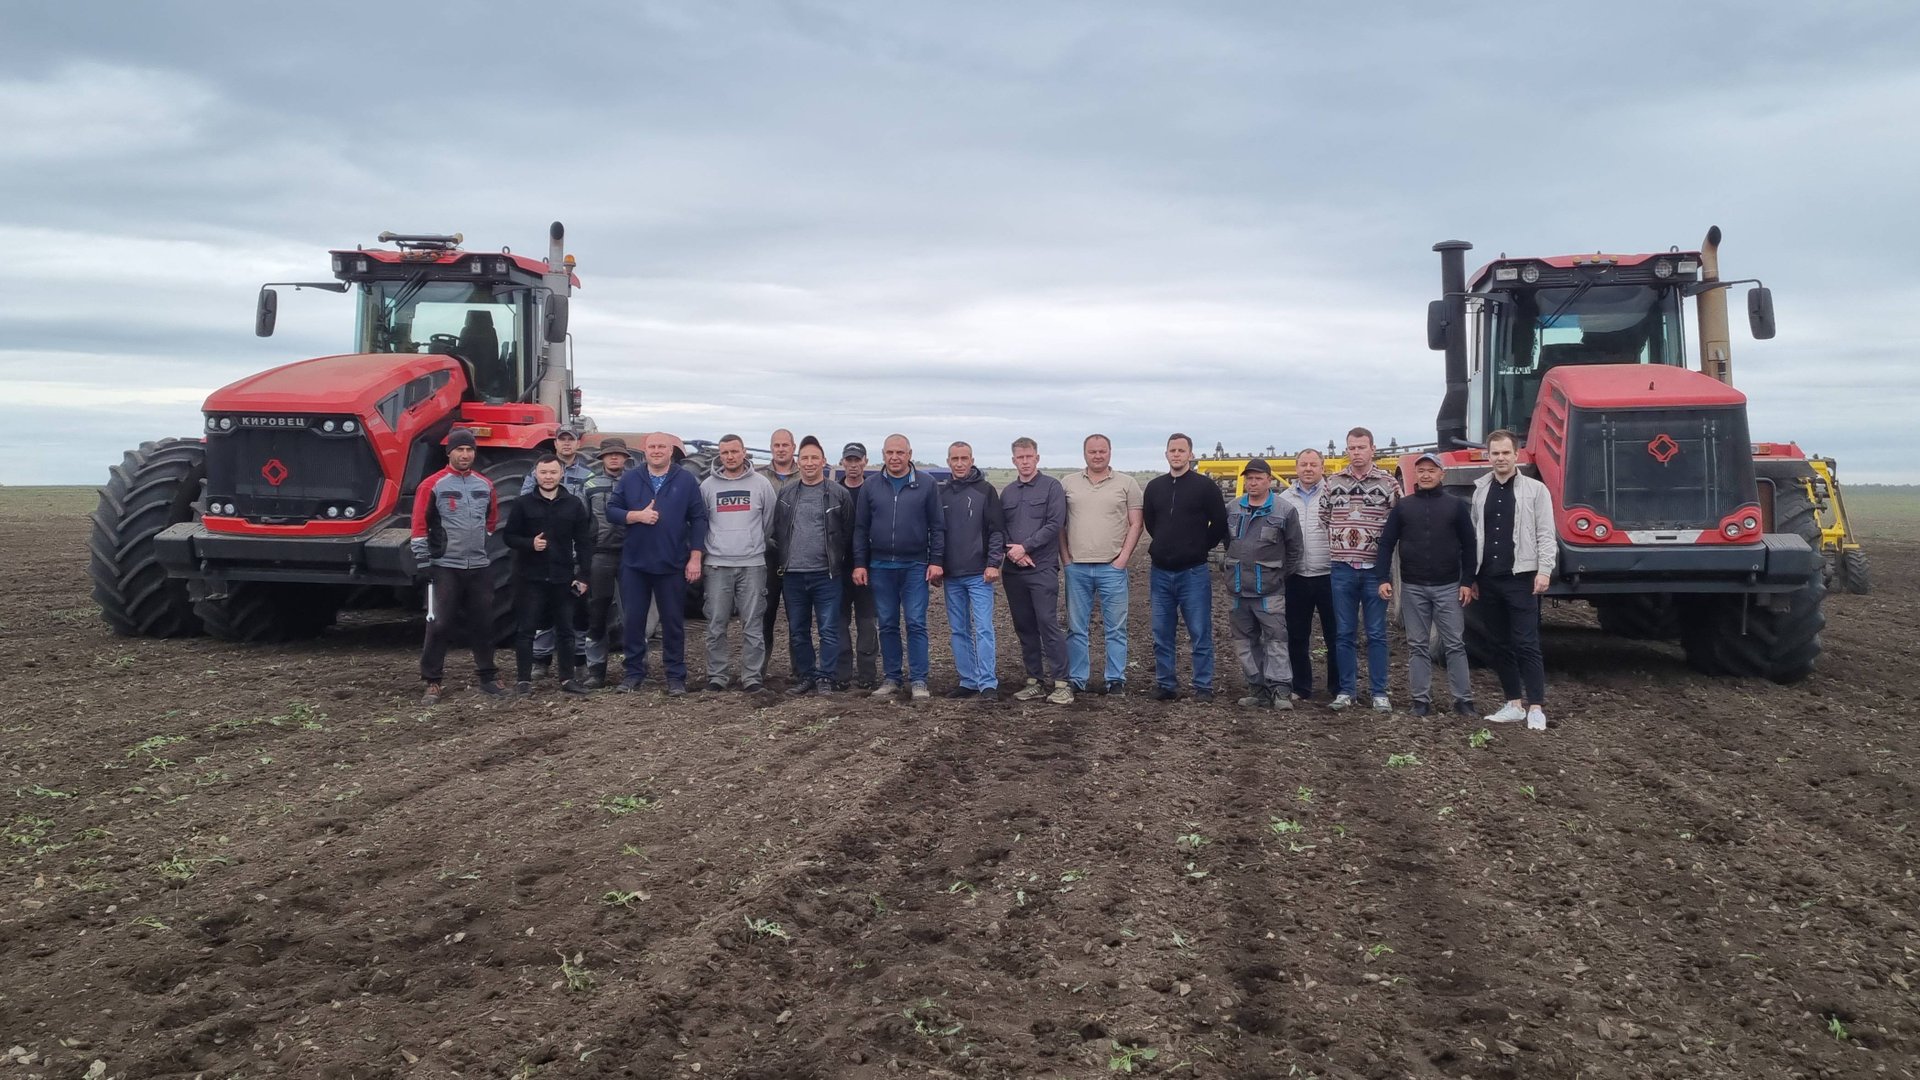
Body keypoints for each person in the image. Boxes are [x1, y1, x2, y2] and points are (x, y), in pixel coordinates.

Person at [1376, 452, 1476, 717]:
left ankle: (1463, 700)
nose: (1426, 475)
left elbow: (1469, 545)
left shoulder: (1455, 506)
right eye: (1421, 470)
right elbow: (1386, 543)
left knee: (1455, 644)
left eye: (1432, 470)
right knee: (1418, 645)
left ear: (1442, 474)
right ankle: (1420, 700)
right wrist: (1383, 578)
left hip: (1448, 586)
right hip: (1413, 587)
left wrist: (1467, 581)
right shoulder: (1403, 507)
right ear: (1415, 475)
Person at [607, 431, 708, 695]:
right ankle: (633, 673)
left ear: (670, 451)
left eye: (661, 446)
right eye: (652, 447)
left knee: (673, 623)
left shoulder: (685, 480)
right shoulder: (631, 478)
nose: (656, 451)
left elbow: (698, 518)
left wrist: (695, 556)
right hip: (635, 564)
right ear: (645, 451)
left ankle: (675, 676)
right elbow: (611, 510)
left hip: (671, 563)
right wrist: (636, 516)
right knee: (633, 621)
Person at [1470, 429, 1557, 730]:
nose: (1500, 458)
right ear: (1488, 456)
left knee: (1526, 643)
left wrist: (1544, 570)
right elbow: (1476, 535)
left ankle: (1536, 707)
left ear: (1516, 455)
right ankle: (1513, 703)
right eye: (1495, 453)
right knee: (1499, 643)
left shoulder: (1535, 490)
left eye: (1506, 452)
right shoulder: (1481, 491)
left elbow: (1546, 533)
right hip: (1489, 578)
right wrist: (1473, 576)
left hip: (1521, 578)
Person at [412, 428, 505, 703]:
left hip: (478, 565)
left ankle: (488, 677)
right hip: (445, 565)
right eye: (460, 450)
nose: (465, 455)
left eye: (469, 450)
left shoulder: (485, 485)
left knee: (484, 623)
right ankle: (432, 681)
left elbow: (492, 520)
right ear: (449, 452)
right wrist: (423, 560)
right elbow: (419, 524)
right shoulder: (432, 485)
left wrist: (480, 544)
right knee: (439, 624)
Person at [852, 434, 946, 700]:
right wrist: (860, 563)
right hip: (880, 566)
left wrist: (936, 560)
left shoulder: (926, 484)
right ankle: (892, 677)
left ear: (909, 454)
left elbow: (937, 526)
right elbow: (861, 528)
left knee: (916, 622)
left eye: (900, 453)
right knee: (887, 623)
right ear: (883, 454)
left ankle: (919, 680)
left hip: (915, 565)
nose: (895, 457)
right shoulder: (871, 486)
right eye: (890, 453)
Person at [1142, 432, 1229, 701]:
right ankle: (1165, 684)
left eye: (1182, 450)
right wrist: (1166, 544)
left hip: (1193, 572)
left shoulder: (1205, 487)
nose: (1177, 454)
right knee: (1161, 633)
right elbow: (1151, 523)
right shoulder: (1154, 487)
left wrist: (1200, 546)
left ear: (1191, 455)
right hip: (1161, 572)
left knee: (1199, 631)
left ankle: (1203, 686)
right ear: (1166, 454)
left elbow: (1219, 522)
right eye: (1173, 450)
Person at [1060, 434, 1144, 702]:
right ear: (1084, 453)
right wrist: (1066, 558)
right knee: (1076, 627)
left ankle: (1115, 679)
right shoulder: (1068, 483)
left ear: (1110, 452)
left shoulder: (1127, 484)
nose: (1097, 456)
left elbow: (1136, 523)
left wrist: (1123, 559)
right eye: (1092, 451)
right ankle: (1078, 678)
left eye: (1102, 451)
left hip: (1112, 568)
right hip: (1077, 568)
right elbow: (1059, 523)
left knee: (1116, 628)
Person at [1322, 427, 1400, 711]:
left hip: (1374, 572)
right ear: (1347, 450)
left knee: (1376, 632)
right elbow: (1324, 516)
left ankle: (1379, 692)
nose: (1356, 452)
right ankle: (1346, 691)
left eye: (1361, 447)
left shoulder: (1388, 483)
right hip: (1342, 568)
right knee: (1344, 632)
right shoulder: (1333, 482)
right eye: (1352, 448)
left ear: (1372, 449)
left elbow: (1397, 521)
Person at [502, 453, 593, 694]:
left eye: (553, 472)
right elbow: (509, 537)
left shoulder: (573, 504)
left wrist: (584, 576)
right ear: (536, 474)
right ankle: (523, 681)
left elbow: (584, 543)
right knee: (527, 630)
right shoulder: (523, 504)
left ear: (561, 474)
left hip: (563, 578)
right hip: (530, 578)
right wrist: (529, 543)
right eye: (543, 472)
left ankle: (567, 679)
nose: (548, 477)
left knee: (566, 630)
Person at [770, 436, 855, 695]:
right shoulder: (787, 493)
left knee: (828, 629)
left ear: (823, 461)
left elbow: (847, 533)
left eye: (814, 458)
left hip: (826, 575)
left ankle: (826, 677)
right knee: (798, 630)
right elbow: (779, 529)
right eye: (805, 458)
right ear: (798, 462)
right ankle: (806, 675)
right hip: (793, 575)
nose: (809, 463)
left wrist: (839, 562)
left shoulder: (839, 494)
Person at [1223, 459, 1306, 709]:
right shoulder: (1233, 508)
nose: (1253, 483)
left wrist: (1278, 576)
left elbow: (1295, 549)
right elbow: (1228, 543)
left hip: (1269, 590)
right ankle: (1256, 689)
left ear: (1269, 480)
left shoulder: (1284, 511)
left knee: (1276, 641)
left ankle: (1280, 691)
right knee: (1244, 642)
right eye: (1249, 478)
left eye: (1258, 478)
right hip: (1238, 589)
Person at [699, 434, 776, 692]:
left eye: (734, 451)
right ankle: (717, 676)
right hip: (717, 565)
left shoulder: (761, 485)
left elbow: (769, 522)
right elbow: (702, 521)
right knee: (716, 624)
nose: (730, 457)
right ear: (719, 455)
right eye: (725, 453)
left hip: (752, 565)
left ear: (744, 452)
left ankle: (752, 677)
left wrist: (752, 543)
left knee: (753, 624)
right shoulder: (707, 486)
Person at [1000, 437, 1071, 704]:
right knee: (1024, 626)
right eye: (1020, 457)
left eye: (1029, 456)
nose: (1025, 461)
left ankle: (1062, 683)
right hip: (1013, 570)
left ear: (1037, 458)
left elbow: (1055, 523)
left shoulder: (1051, 487)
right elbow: (1000, 527)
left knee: (1047, 623)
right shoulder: (1008, 493)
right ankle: (1034, 681)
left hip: (1042, 568)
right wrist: (1013, 552)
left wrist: (1026, 548)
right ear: (1014, 460)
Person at [520, 426, 594, 675]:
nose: (566, 444)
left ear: (578, 443)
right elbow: (526, 505)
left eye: (570, 440)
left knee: (578, 607)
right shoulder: (537, 474)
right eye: (562, 440)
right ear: (555, 443)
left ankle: (579, 659)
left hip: (574, 548)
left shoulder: (588, 475)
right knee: (544, 607)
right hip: (545, 550)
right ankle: (541, 659)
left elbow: (591, 511)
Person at [940, 442, 1006, 700]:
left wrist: (993, 563)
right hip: (952, 575)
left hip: (979, 574)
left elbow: (996, 530)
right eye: (955, 459)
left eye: (964, 458)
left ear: (972, 460)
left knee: (983, 628)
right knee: (959, 629)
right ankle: (968, 679)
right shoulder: (942, 493)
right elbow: (937, 533)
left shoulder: (985, 491)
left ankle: (987, 682)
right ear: (948, 461)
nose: (959, 463)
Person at [1279, 449, 1341, 701]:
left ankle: (1338, 687)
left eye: (1313, 464)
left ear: (1322, 468)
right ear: (1296, 468)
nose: (1308, 469)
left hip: (1329, 574)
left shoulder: (1334, 494)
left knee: (1335, 634)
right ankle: (1301, 686)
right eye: (1303, 464)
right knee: (1297, 635)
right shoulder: (1284, 499)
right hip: (1296, 576)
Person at [579, 436, 631, 688]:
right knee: (597, 611)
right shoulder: (589, 485)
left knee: (633, 612)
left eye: (618, 454)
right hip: (600, 554)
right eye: (610, 454)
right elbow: (581, 524)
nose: (614, 458)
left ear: (625, 458)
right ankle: (596, 670)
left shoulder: (635, 483)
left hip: (631, 555)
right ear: (602, 458)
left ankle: (634, 667)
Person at [756, 428, 801, 686]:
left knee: (797, 617)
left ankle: (800, 671)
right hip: (766, 556)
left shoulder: (804, 475)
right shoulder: (758, 477)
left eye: (785, 445)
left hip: (798, 556)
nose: (781, 449)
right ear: (771, 448)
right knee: (764, 615)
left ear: (793, 447)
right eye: (777, 445)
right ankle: (758, 670)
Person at [833, 443, 881, 689]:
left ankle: (867, 674)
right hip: (838, 568)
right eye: (849, 460)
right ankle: (841, 674)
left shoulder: (873, 491)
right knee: (839, 622)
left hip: (868, 568)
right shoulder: (833, 491)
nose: (853, 465)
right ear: (842, 462)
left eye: (857, 460)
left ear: (865, 462)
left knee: (867, 622)